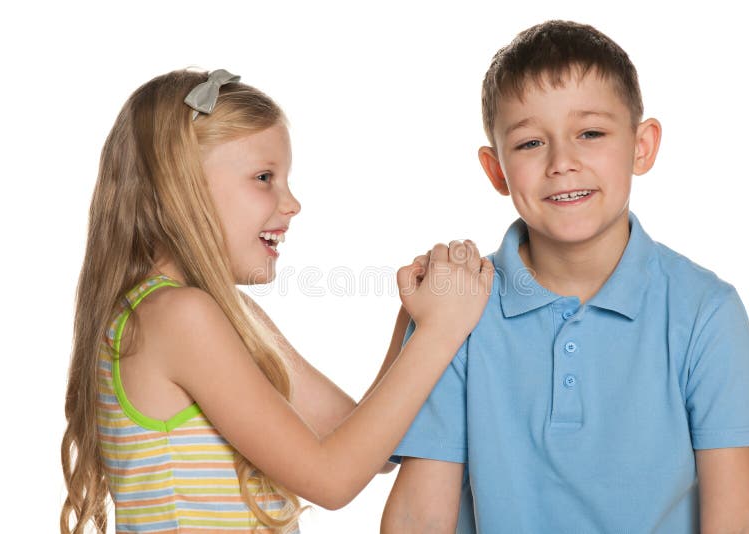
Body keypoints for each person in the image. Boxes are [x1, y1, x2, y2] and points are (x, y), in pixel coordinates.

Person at [382, 20, 749, 533]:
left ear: (642, 146)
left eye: (590, 133)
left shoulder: (706, 311)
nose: (562, 163)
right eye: (529, 144)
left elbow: (740, 518)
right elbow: (418, 517)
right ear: (496, 170)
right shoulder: (457, 306)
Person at [60, 68, 493, 533]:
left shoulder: (225, 314)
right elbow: (332, 481)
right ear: (179, 187)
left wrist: (411, 319)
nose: (292, 203)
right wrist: (440, 332)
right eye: (264, 177)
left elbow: (369, 449)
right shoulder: (178, 317)